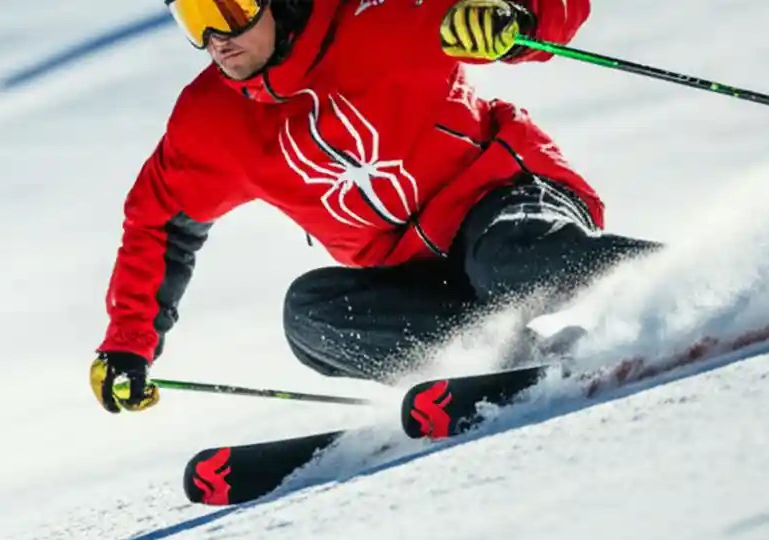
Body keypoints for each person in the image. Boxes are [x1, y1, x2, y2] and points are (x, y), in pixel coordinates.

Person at [90, 0, 655, 414]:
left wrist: (513, 19)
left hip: (505, 197)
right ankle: (519, 365)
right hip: (415, 272)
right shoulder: (211, 121)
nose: (217, 36)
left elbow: (554, 9)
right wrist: (127, 346)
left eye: (232, 9)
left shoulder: (375, 16)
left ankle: (683, 290)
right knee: (310, 317)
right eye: (192, 18)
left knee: (506, 264)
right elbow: (157, 223)